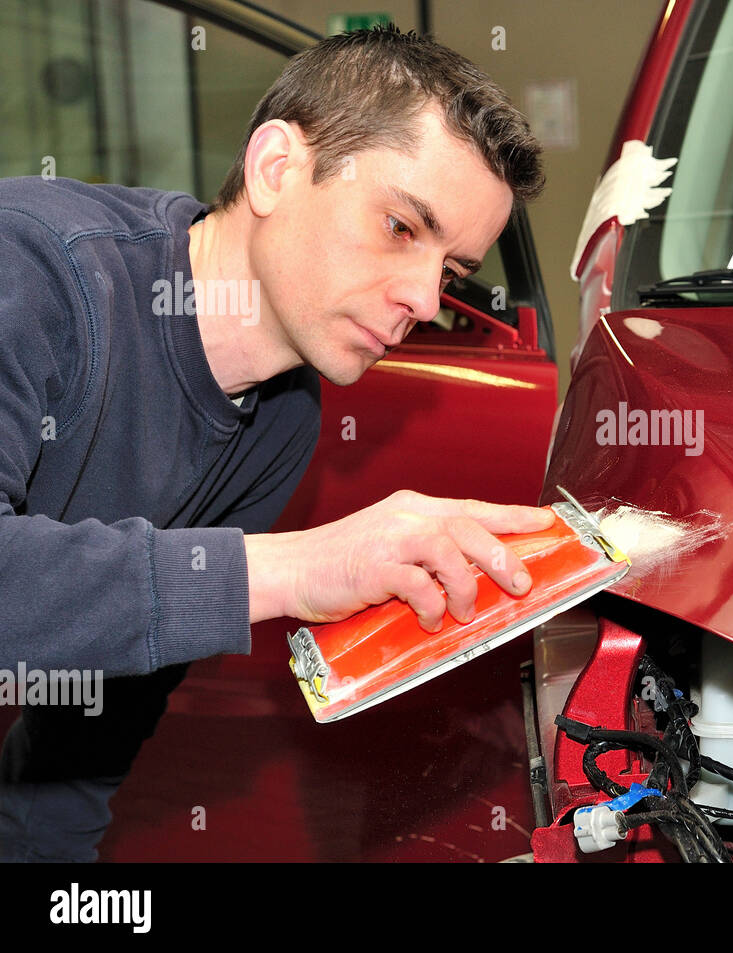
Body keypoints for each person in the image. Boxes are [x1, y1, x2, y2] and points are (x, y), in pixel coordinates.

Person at [0, 25, 556, 862]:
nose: (421, 298)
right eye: (402, 226)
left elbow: (93, 718)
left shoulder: (284, 419)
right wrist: (299, 566)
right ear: (275, 168)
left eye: (451, 273)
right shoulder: (35, 267)